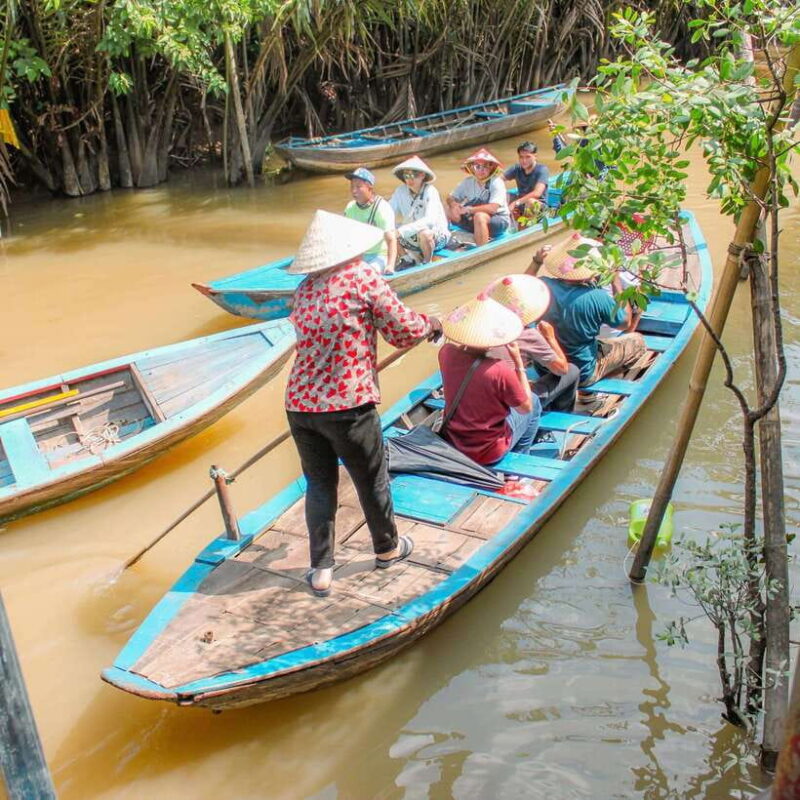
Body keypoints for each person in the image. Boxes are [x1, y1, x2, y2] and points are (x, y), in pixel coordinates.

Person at [285, 210, 442, 597]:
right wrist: (431, 324)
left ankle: (321, 568)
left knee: (320, 484)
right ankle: (387, 548)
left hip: (300, 404)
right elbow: (403, 331)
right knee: (371, 478)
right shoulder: (360, 276)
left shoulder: (304, 289)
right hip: (348, 404)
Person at [528, 233, 646, 387]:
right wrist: (615, 281)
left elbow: (520, 290)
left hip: (545, 369)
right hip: (583, 373)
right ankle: (597, 387)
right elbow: (624, 323)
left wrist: (536, 262)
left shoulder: (543, 286)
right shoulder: (596, 297)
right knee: (638, 341)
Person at [438, 293, 541, 465]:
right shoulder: (499, 370)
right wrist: (518, 364)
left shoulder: (446, 353)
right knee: (535, 402)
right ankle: (518, 466)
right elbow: (525, 408)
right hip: (489, 451)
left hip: (454, 442)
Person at [486, 273, 580, 413]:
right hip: (512, 403)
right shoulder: (528, 334)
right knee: (572, 370)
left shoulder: (481, 328)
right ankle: (558, 414)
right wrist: (550, 337)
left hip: (487, 390)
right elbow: (562, 369)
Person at [388, 155, 449, 267]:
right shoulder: (400, 191)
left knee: (425, 233)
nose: (410, 179)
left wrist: (402, 231)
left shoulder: (431, 191)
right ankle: (405, 258)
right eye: (407, 175)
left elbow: (430, 220)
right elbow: (388, 211)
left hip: (436, 237)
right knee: (388, 230)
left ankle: (427, 262)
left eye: (414, 175)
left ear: (422, 175)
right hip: (411, 237)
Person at [445, 148, 510, 246]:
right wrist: (454, 205)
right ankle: (443, 240)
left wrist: (469, 210)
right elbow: (450, 197)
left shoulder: (496, 182)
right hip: (473, 219)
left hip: (498, 220)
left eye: (485, 166)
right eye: (477, 167)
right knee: (448, 210)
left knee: (479, 216)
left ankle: (481, 250)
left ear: (491, 168)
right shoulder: (467, 182)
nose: (481, 170)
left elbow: (493, 208)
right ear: (472, 168)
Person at [343, 166, 397, 274]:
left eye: (358, 187)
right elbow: (345, 236)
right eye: (352, 186)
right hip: (359, 255)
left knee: (366, 274)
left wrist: (390, 266)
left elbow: (391, 240)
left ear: (369, 188)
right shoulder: (350, 208)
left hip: (379, 255)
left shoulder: (381, 208)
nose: (354, 190)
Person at [503, 142, 550, 224]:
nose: (524, 161)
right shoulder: (517, 168)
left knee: (530, 202)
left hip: (538, 206)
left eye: (528, 157)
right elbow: (499, 180)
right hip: (521, 202)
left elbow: (537, 193)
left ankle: (525, 228)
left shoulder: (542, 170)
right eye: (521, 157)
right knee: (504, 196)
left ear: (535, 156)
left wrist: (515, 203)